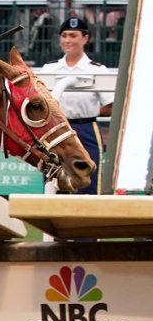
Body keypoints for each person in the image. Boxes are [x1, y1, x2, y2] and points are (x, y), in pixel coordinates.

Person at [42, 17, 112, 195]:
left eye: (73, 36)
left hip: (86, 127)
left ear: (85, 38)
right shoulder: (50, 69)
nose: (67, 40)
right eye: (64, 35)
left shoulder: (97, 69)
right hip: (56, 130)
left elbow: (111, 106)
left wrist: (89, 111)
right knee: (56, 179)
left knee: (90, 178)